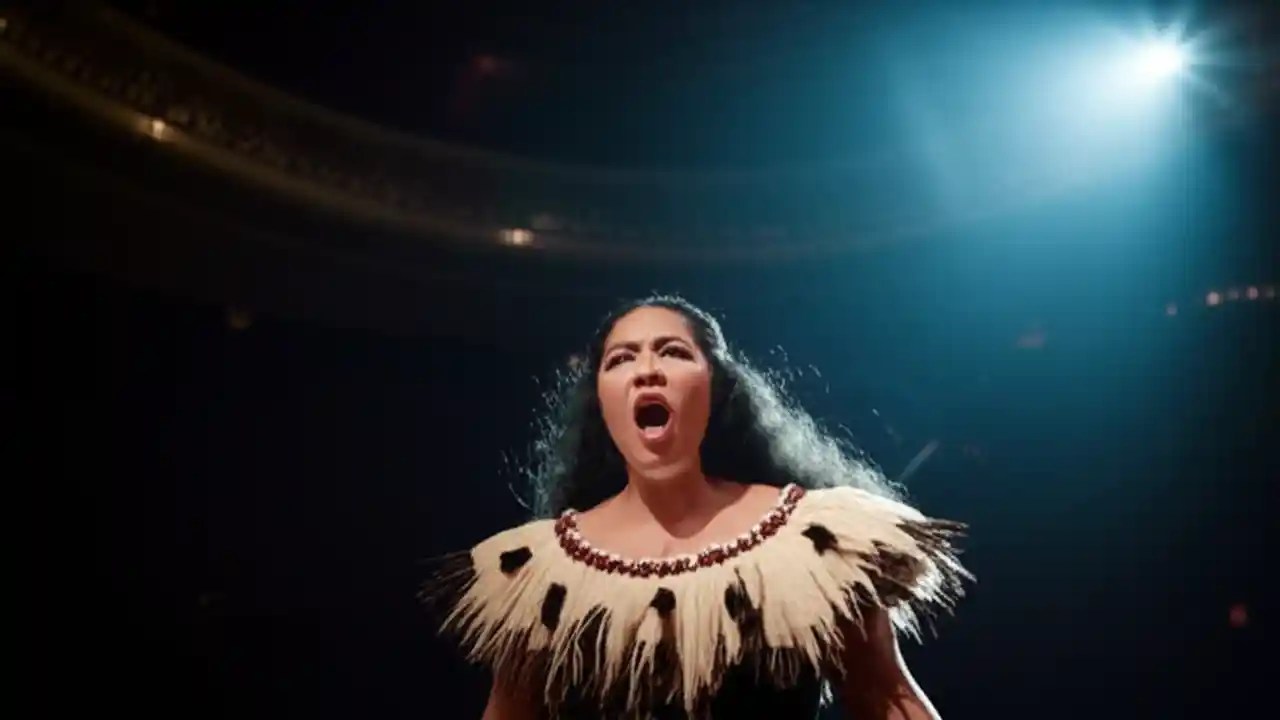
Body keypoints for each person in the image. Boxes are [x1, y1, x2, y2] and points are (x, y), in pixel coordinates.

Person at [427, 295, 970, 719]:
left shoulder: (815, 541)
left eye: (673, 352)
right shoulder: (540, 574)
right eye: (621, 359)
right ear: (601, 401)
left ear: (716, 389)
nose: (646, 370)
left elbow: (885, 697)